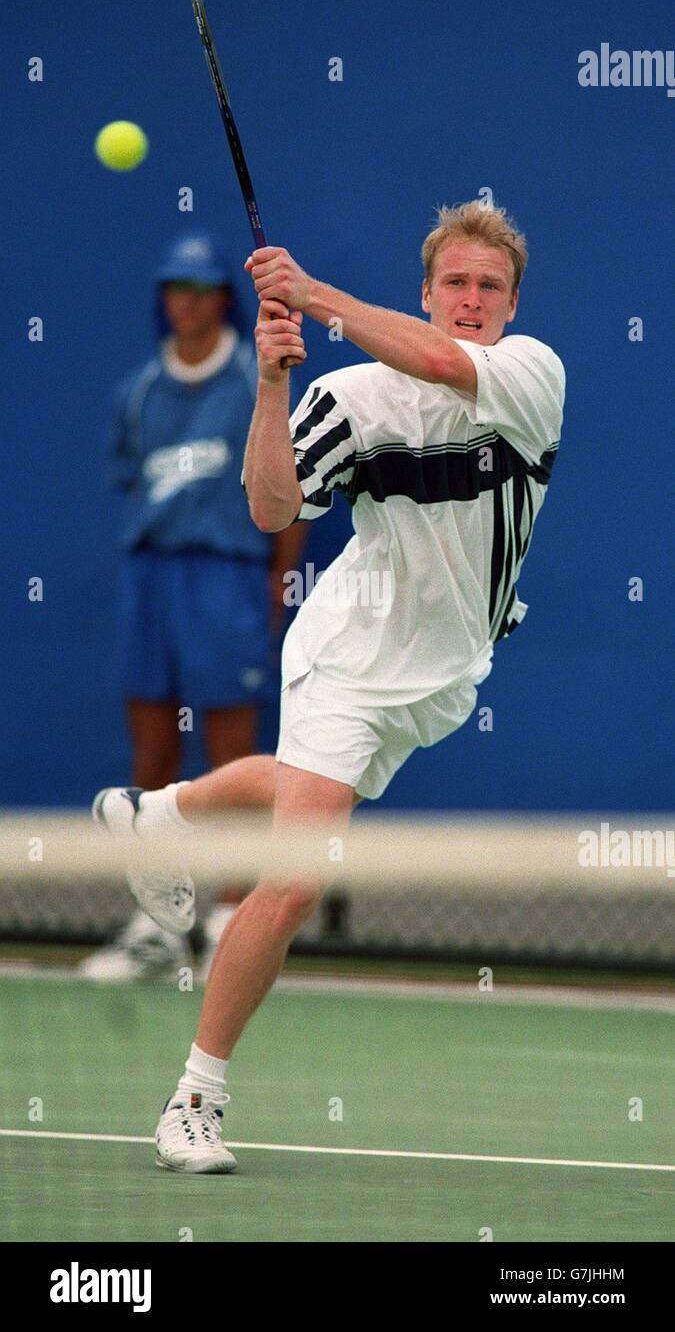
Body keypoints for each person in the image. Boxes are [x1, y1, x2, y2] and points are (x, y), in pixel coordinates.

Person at [93, 201, 565, 1170]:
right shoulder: (351, 398)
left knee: (308, 783)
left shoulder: (529, 375)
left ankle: (157, 814)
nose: (470, 301)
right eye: (455, 284)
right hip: (347, 652)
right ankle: (194, 1101)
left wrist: (314, 298)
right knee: (301, 866)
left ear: (511, 307)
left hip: (444, 670)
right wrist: (271, 384)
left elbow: (440, 366)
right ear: (425, 291)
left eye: (489, 288)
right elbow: (271, 504)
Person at [81, 231, 306, 981]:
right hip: (153, 583)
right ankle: (156, 929)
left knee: (234, 761)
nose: (188, 301)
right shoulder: (139, 393)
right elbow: (132, 486)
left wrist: (276, 591)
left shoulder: (255, 377)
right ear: (164, 301)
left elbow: (290, 502)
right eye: (175, 288)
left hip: (227, 584)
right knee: (152, 758)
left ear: (223, 298)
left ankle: (227, 920)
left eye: (202, 288)